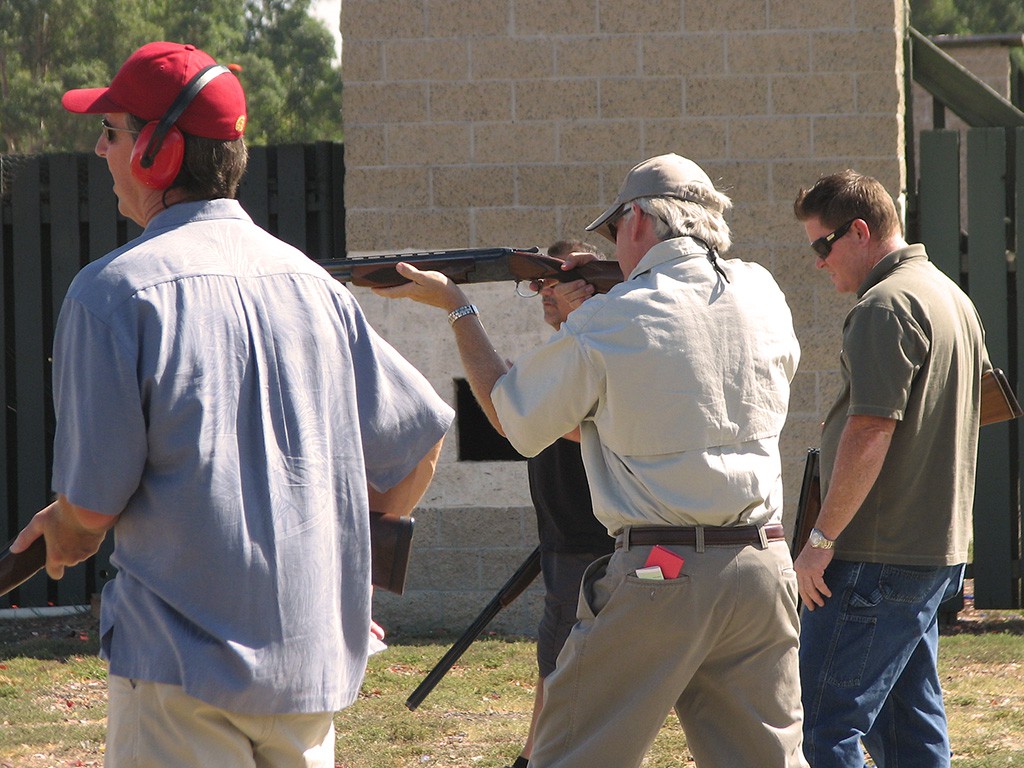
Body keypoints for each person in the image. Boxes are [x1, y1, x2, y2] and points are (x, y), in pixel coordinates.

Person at [9, 41, 453, 767]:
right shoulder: (315, 287)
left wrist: (62, 528)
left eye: (113, 131)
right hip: (308, 679)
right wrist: (350, 566)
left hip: (180, 676)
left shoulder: (113, 293)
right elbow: (421, 441)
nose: (99, 148)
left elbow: (89, 513)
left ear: (158, 153)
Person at [376, 153, 806, 767]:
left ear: (636, 220)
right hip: (763, 565)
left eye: (614, 232)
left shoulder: (615, 317)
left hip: (663, 570)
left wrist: (459, 309)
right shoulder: (762, 290)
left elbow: (512, 419)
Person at [792, 170, 988, 767]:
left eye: (821, 246)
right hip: (932, 553)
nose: (819, 264)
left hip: (875, 556)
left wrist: (821, 539)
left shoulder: (886, 305)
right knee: (909, 731)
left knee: (822, 725)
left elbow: (872, 429)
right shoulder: (951, 296)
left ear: (858, 231)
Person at [506, 240, 615, 768]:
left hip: (590, 541)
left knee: (561, 668)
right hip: (563, 537)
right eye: (541, 282)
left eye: (558, 281)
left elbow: (583, 427)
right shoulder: (565, 351)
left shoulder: (593, 349)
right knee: (556, 664)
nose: (546, 293)